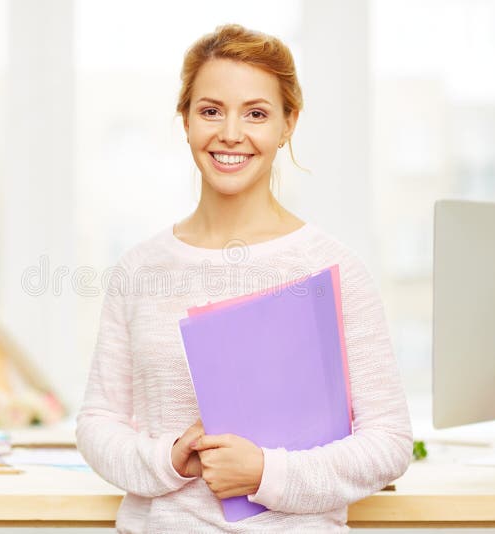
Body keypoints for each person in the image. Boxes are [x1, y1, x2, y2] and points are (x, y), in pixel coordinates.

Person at [75, 23, 412, 533]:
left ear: (287, 124)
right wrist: (170, 459)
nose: (230, 134)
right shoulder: (139, 270)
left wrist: (266, 473)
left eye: (256, 113)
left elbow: (387, 442)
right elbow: (97, 424)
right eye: (211, 111)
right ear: (185, 120)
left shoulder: (331, 268)